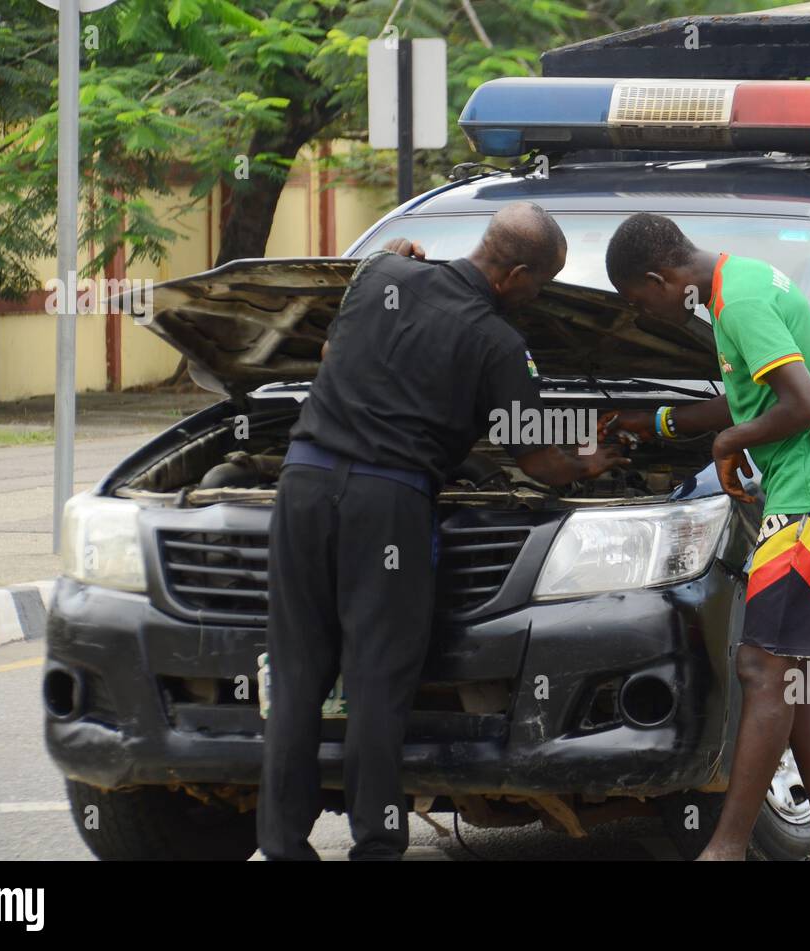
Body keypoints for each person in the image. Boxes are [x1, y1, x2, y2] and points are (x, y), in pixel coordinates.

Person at [258, 201, 629, 861]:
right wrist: (588, 462)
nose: (534, 296)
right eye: (538, 284)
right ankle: (374, 844)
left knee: (297, 671)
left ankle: (284, 846)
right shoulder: (497, 342)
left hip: (303, 485)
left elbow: (331, 347)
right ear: (516, 274)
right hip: (387, 503)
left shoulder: (378, 276)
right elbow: (538, 461)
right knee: (375, 676)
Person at [600, 213, 810, 860]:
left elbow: (805, 404)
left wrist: (728, 444)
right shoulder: (739, 284)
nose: (648, 316)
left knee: (763, 666)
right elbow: (752, 400)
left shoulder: (740, 302)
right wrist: (659, 424)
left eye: (642, 302)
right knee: (795, 668)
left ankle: (725, 848)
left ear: (660, 277)